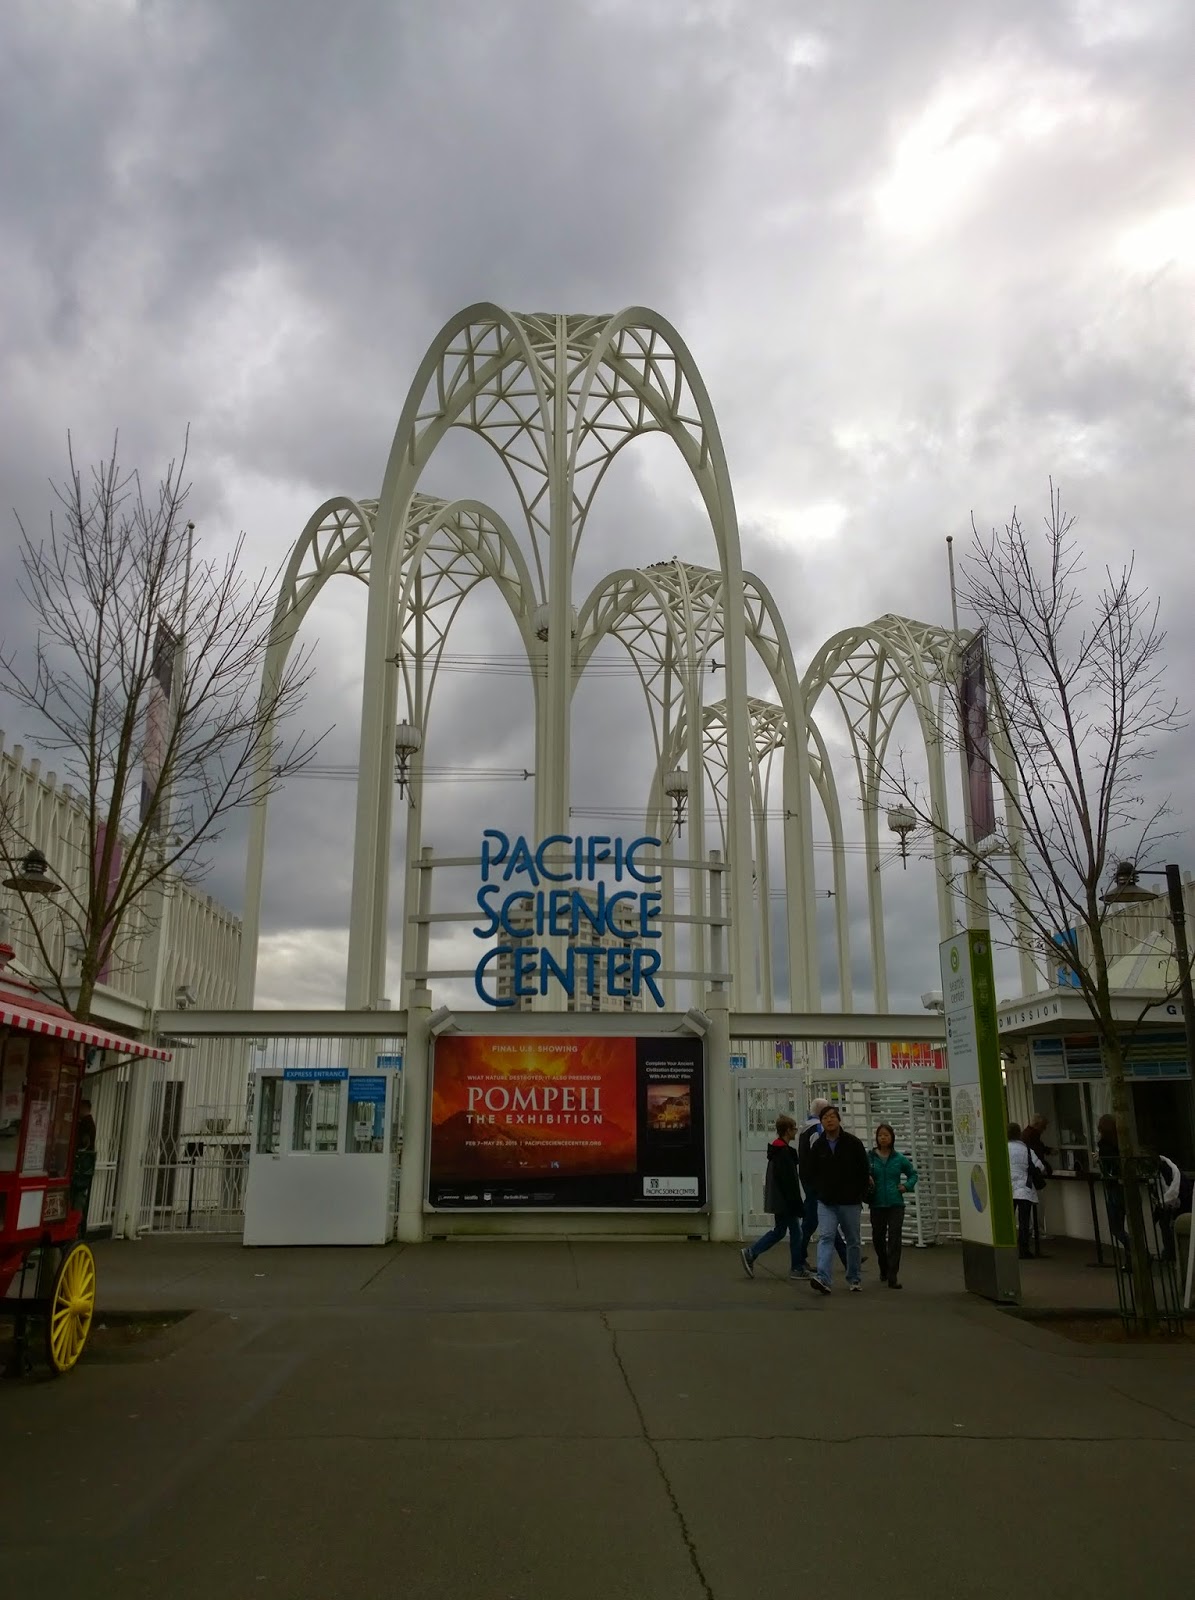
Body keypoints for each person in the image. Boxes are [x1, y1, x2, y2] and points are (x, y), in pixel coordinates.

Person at [803, 1104, 870, 1295]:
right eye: (825, 1117)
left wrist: (860, 1193)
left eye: (833, 1116)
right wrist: (818, 1191)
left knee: (853, 1240)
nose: (830, 1120)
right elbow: (810, 1171)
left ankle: (854, 1277)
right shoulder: (819, 1145)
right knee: (826, 1237)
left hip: (850, 1201)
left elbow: (863, 1170)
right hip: (826, 1201)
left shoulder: (853, 1143)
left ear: (839, 1120)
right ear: (821, 1122)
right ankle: (823, 1278)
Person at [740, 1114, 806, 1279]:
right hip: (786, 1201)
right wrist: (796, 1203)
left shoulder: (777, 1151)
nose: (796, 1131)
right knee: (795, 1232)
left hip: (780, 1200)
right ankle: (797, 1267)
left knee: (780, 1231)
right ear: (788, 1130)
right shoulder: (784, 1153)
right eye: (794, 1128)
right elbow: (789, 1182)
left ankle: (752, 1252)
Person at [797, 1098, 848, 1275]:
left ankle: (847, 1257)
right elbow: (820, 1156)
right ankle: (799, 1258)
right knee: (814, 1221)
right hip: (818, 1182)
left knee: (822, 1220)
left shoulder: (804, 1129)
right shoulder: (818, 1131)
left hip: (807, 1179)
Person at [867, 1122, 918, 1288]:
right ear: (876, 1138)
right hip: (877, 1203)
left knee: (895, 1238)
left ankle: (892, 1275)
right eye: (880, 1135)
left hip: (896, 1203)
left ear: (892, 1138)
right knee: (878, 1238)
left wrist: (906, 1186)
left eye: (886, 1135)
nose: (883, 1138)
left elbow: (913, 1174)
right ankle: (884, 1265)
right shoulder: (870, 1158)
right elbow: (860, 1173)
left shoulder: (899, 1159)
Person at [1007, 1121, 1045, 1260]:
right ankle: (1024, 1249)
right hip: (1024, 1188)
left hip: (1008, 1188)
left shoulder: (1003, 1148)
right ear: (1019, 1134)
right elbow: (1040, 1167)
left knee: (1008, 1220)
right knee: (1024, 1221)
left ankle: (1007, 1247)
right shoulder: (1027, 1150)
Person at [1096, 1113, 1131, 1260]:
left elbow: (1108, 1168)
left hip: (1113, 1188)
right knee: (1122, 1224)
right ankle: (1132, 1257)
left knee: (1116, 1227)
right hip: (1123, 1187)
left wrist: (1099, 1161)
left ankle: (1137, 1251)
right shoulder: (1121, 1143)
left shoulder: (1104, 1146)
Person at [1021, 1114, 1053, 1257]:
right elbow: (1036, 1155)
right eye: (1044, 1127)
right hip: (1032, 1176)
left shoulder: (1026, 1135)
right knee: (1037, 1203)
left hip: (1024, 1178)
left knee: (1027, 1207)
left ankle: (1032, 1231)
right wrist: (1045, 1165)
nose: (1044, 1130)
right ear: (1038, 1125)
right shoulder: (1031, 1137)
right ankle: (1037, 1230)